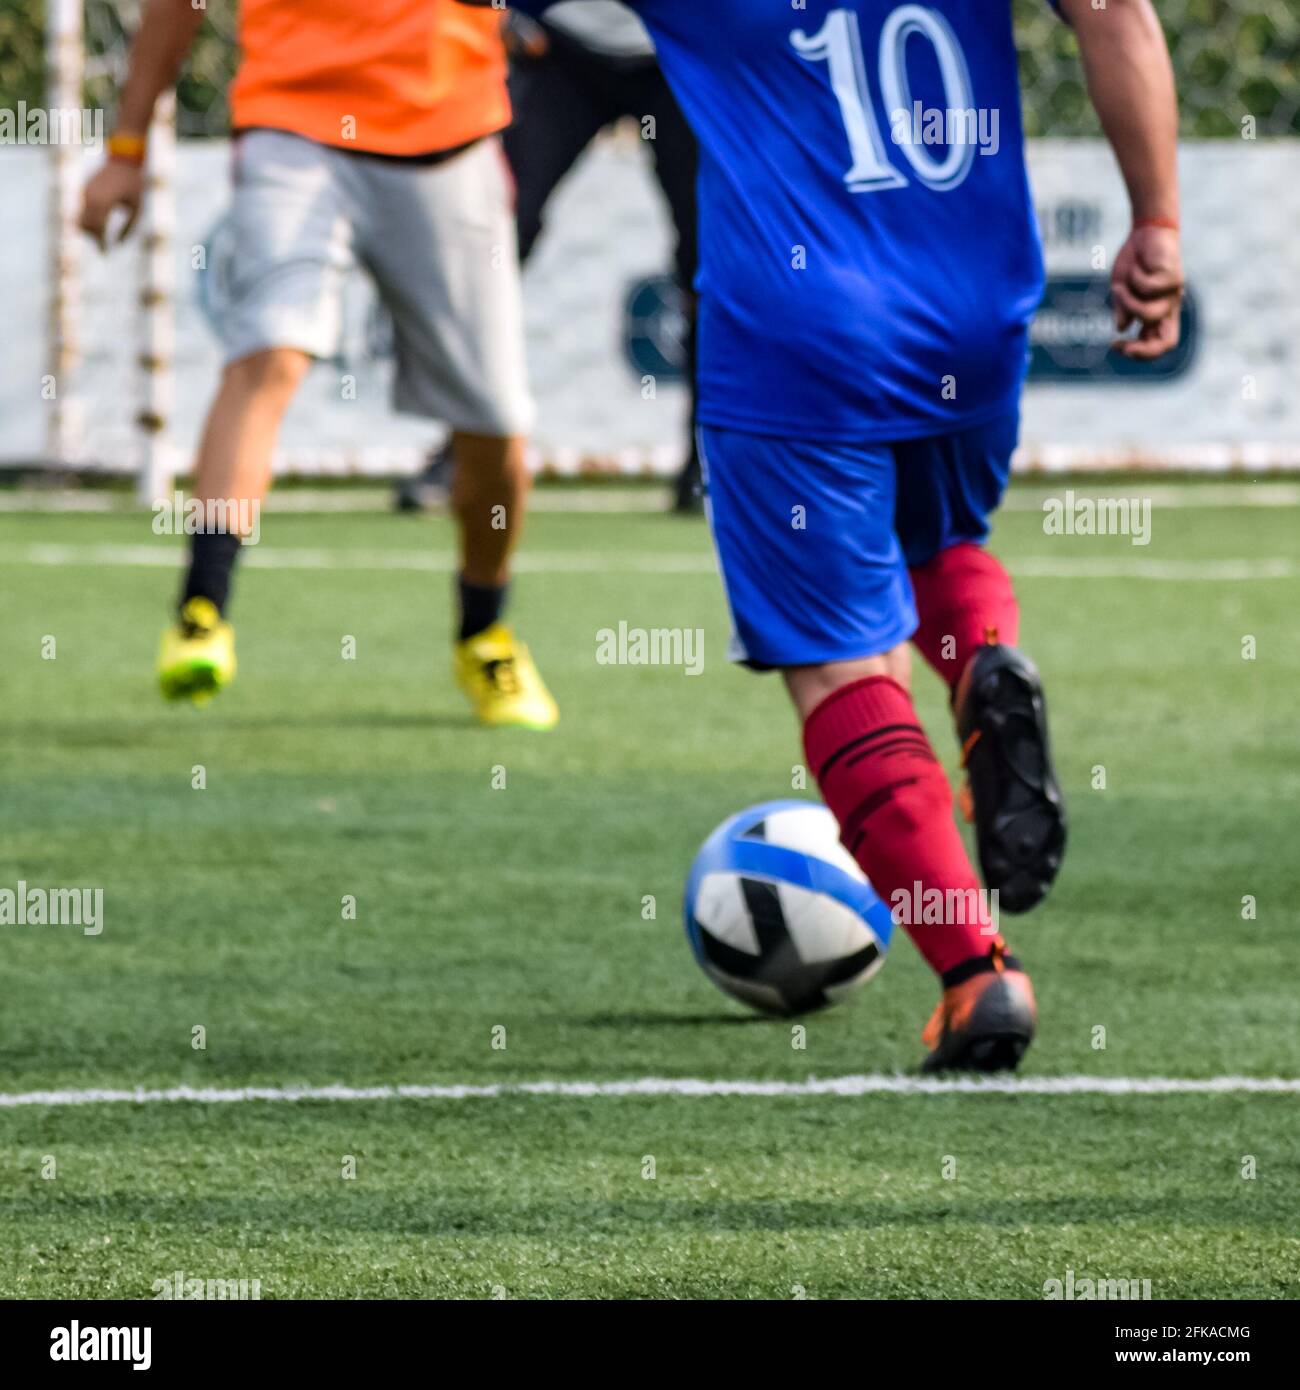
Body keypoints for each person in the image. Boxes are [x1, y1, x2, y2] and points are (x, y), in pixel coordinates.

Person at [476, 0, 1184, 1067]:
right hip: (976, 309)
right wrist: (1158, 221)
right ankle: (982, 662)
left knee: (834, 660)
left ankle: (974, 972)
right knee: (937, 537)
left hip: (797, 332)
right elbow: (1113, 12)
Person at [80, 0, 559, 730]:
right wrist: (125, 150)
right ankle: (202, 612)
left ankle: (483, 634)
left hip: (450, 139)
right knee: (266, 354)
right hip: (293, 130)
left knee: (495, 424)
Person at [395, 1, 704, 515]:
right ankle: (471, 449)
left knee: (709, 257)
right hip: (563, 45)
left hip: (679, 49)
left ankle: (706, 461)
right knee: (495, 239)